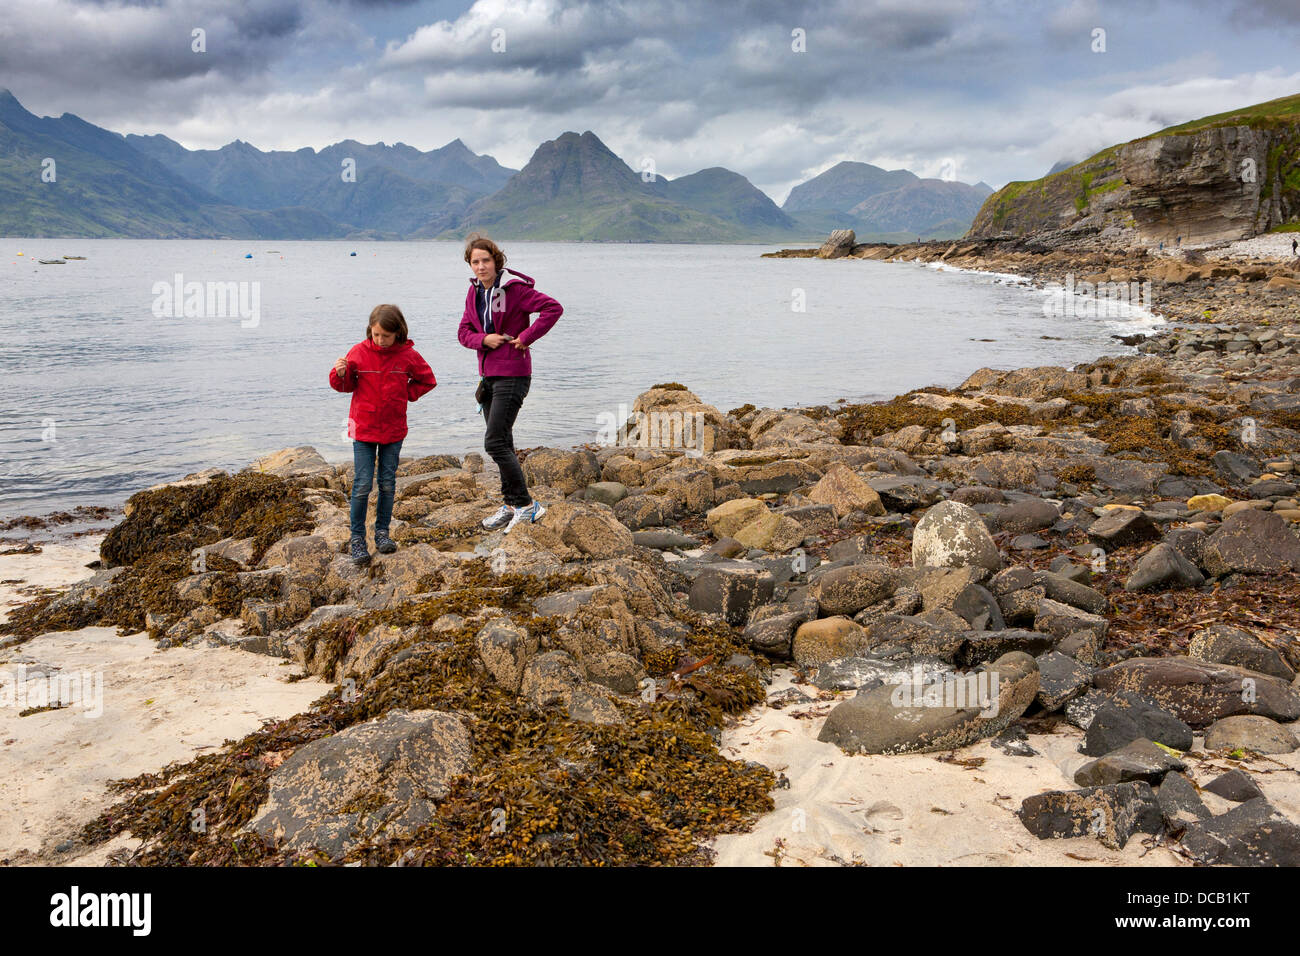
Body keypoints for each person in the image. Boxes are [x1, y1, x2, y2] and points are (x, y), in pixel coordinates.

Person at [457, 233, 563, 533]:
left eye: (485, 260)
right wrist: (484, 339)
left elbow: (553, 308)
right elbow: (463, 332)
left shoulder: (514, 290)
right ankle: (511, 504)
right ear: (470, 264)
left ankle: (528, 506)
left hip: (514, 374)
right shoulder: (474, 293)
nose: (480, 266)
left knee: (493, 442)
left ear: (496, 260)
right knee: (503, 441)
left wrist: (526, 337)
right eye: (475, 262)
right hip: (488, 376)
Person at [330, 304, 436, 565]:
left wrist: (406, 394)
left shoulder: (407, 355)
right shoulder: (358, 352)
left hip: (393, 428)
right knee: (363, 484)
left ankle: (382, 533)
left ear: (397, 333)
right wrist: (340, 373)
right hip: (362, 427)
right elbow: (345, 386)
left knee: (387, 483)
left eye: (385, 336)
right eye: (376, 335)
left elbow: (428, 380)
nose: (380, 340)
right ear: (370, 330)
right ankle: (357, 540)